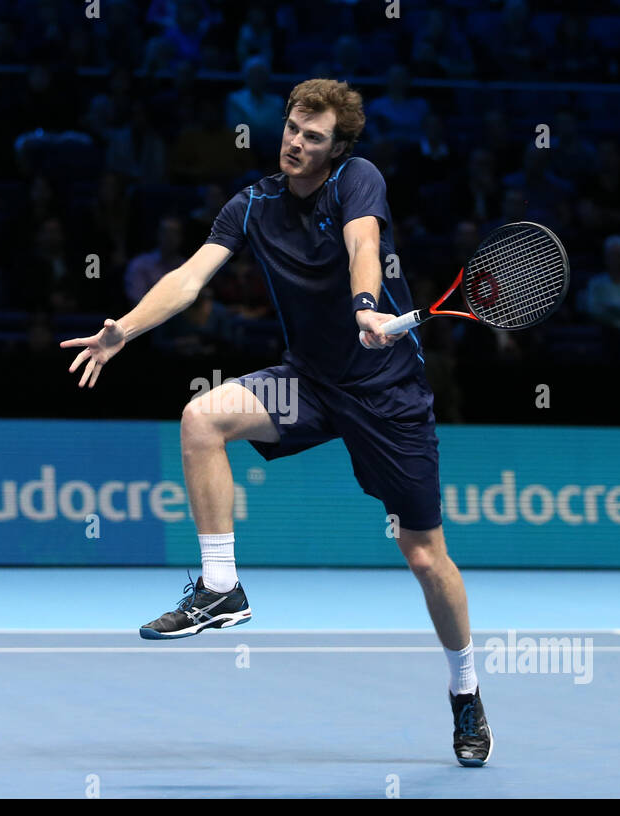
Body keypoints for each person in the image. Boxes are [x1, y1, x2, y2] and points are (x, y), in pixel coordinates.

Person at [60, 79, 492, 767]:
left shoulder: (358, 181)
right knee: (202, 418)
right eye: (292, 127)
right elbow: (191, 277)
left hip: (387, 395)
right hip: (311, 385)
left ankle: (465, 691)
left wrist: (363, 305)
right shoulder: (252, 204)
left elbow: (364, 245)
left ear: (336, 148)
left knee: (423, 554)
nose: (296, 142)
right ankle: (221, 587)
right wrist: (126, 331)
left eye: (313, 136)